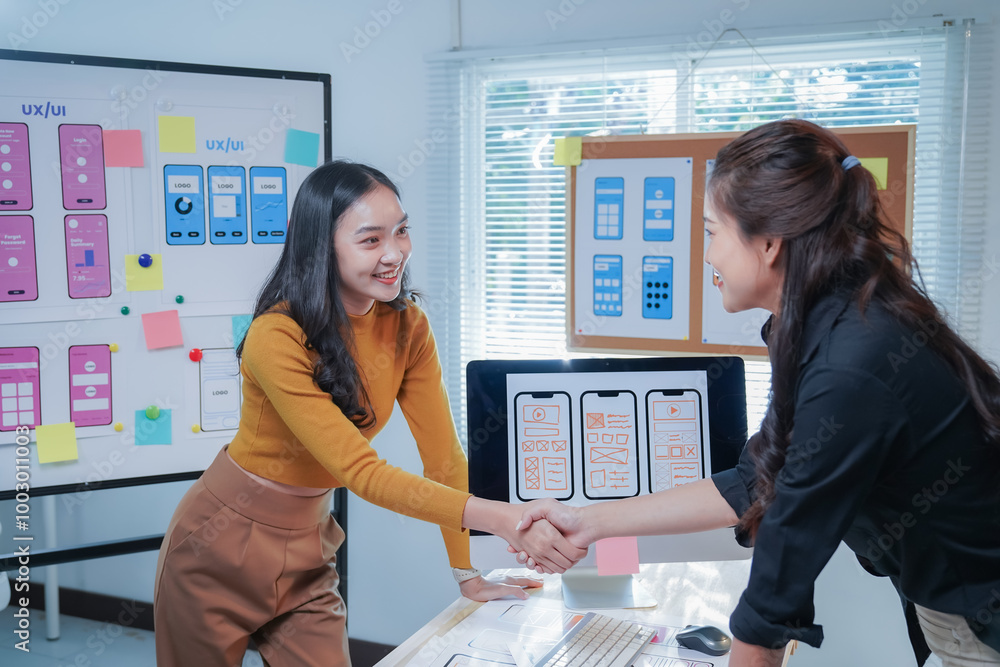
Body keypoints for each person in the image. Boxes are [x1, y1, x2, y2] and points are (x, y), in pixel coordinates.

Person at [513, 120, 1000, 667]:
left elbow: (785, 557)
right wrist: (591, 522)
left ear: (769, 243)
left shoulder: (851, 363)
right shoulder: (832, 323)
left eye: (712, 232)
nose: (708, 256)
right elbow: (756, 479)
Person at [154, 160, 585, 667]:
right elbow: (361, 472)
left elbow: (444, 458)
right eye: (371, 240)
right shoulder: (277, 336)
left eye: (401, 231)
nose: (394, 253)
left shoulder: (408, 326)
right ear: (322, 247)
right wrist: (503, 518)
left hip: (310, 547)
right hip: (218, 545)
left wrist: (467, 569)